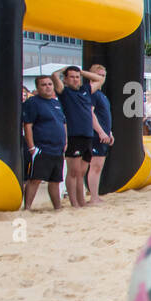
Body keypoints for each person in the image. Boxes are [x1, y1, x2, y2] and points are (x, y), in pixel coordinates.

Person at [51, 65, 111, 208]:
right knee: (73, 171)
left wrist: (81, 72)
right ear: (65, 79)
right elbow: (54, 76)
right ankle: (74, 203)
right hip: (74, 135)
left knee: (81, 172)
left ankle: (81, 201)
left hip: (87, 135)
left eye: (77, 77)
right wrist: (63, 70)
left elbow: (99, 80)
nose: (75, 79)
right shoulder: (64, 92)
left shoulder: (85, 90)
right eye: (72, 77)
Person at [20, 75, 67, 211]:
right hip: (41, 147)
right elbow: (28, 125)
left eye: (49, 84)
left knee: (55, 181)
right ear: (38, 87)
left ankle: (57, 207)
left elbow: (63, 123)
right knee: (35, 179)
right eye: (44, 85)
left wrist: (65, 141)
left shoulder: (56, 102)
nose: (47, 87)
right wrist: (31, 147)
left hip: (57, 148)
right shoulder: (33, 102)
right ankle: (27, 208)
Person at [85, 64, 113, 203]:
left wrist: (109, 132)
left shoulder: (100, 94)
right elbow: (90, 114)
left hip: (103, 133)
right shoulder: (93, 93)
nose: (102, 78)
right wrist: (101, 132)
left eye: (103, 75)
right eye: (99, 75)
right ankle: (93, 197)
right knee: (95, 166)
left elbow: (103, 116)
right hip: (96, 135)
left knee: (98, 166)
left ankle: (95, 195)